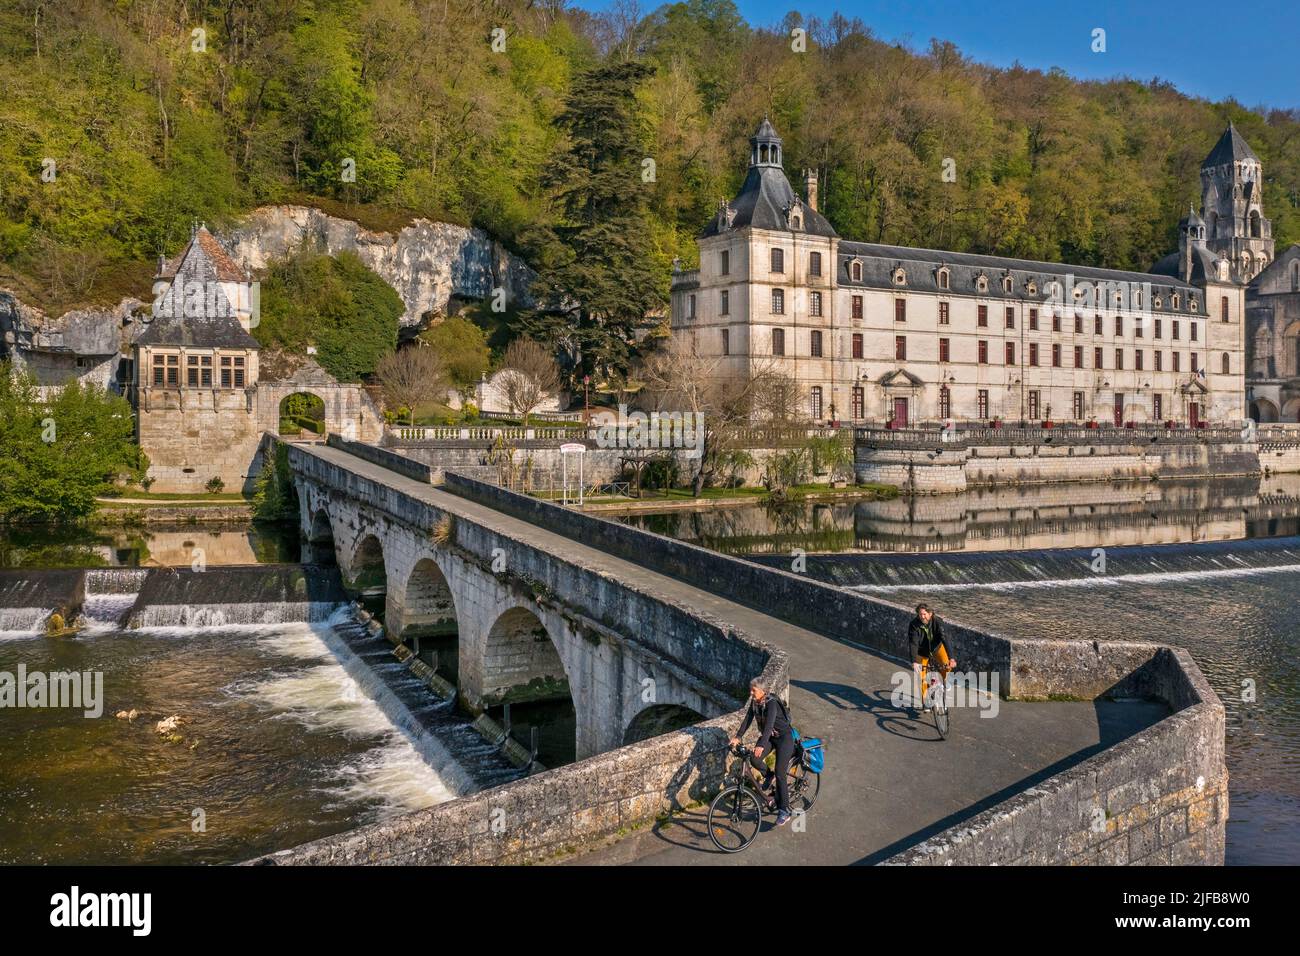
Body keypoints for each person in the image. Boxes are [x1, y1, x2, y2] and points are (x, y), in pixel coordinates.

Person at [729, 678, 796, 826]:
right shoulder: (755, 703)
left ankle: (785, 810)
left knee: (780, 773)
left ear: (762, 691)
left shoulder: (771, 703)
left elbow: (769, 725)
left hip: (784, 738)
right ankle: (769, 775)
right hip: (771, 738)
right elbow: (747, 719)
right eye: (751, 689)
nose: (751, 692)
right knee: (754, 759)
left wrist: (761, 744)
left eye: (754, 690)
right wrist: (738, 737)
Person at [908, 603, 956, 713]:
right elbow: (913, 644)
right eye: (920, 614)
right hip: (922, 652)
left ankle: (942, 682)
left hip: (936, 648)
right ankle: (926, 702)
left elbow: (945, 638)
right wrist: (914, 662)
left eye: (924, 614)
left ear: (930, 614)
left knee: (947, 664)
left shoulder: (937, 622)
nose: (922, 616)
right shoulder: (914, 625)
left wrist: (952, 658)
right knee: (922, 677)